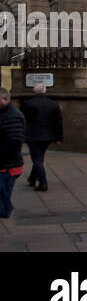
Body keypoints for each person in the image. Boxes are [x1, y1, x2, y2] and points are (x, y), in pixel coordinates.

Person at [19, 83, 63, 193]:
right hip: (48, 136)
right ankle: (32, 179)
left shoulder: (26, 104)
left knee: (37, 159)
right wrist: (59, 138)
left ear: (33, 91)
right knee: (39, 157)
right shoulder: (53, 104)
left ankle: (42, 182)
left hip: (32, 135)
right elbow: (58, 122)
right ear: (45, 91)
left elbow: (22, 120)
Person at [0, 88, 25, 219]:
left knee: (3, 192)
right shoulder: (4, 114)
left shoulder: (12, 116)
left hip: (8, 165)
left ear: (4, 100)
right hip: (6, 163)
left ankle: (4, 212)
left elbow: (13, 142)